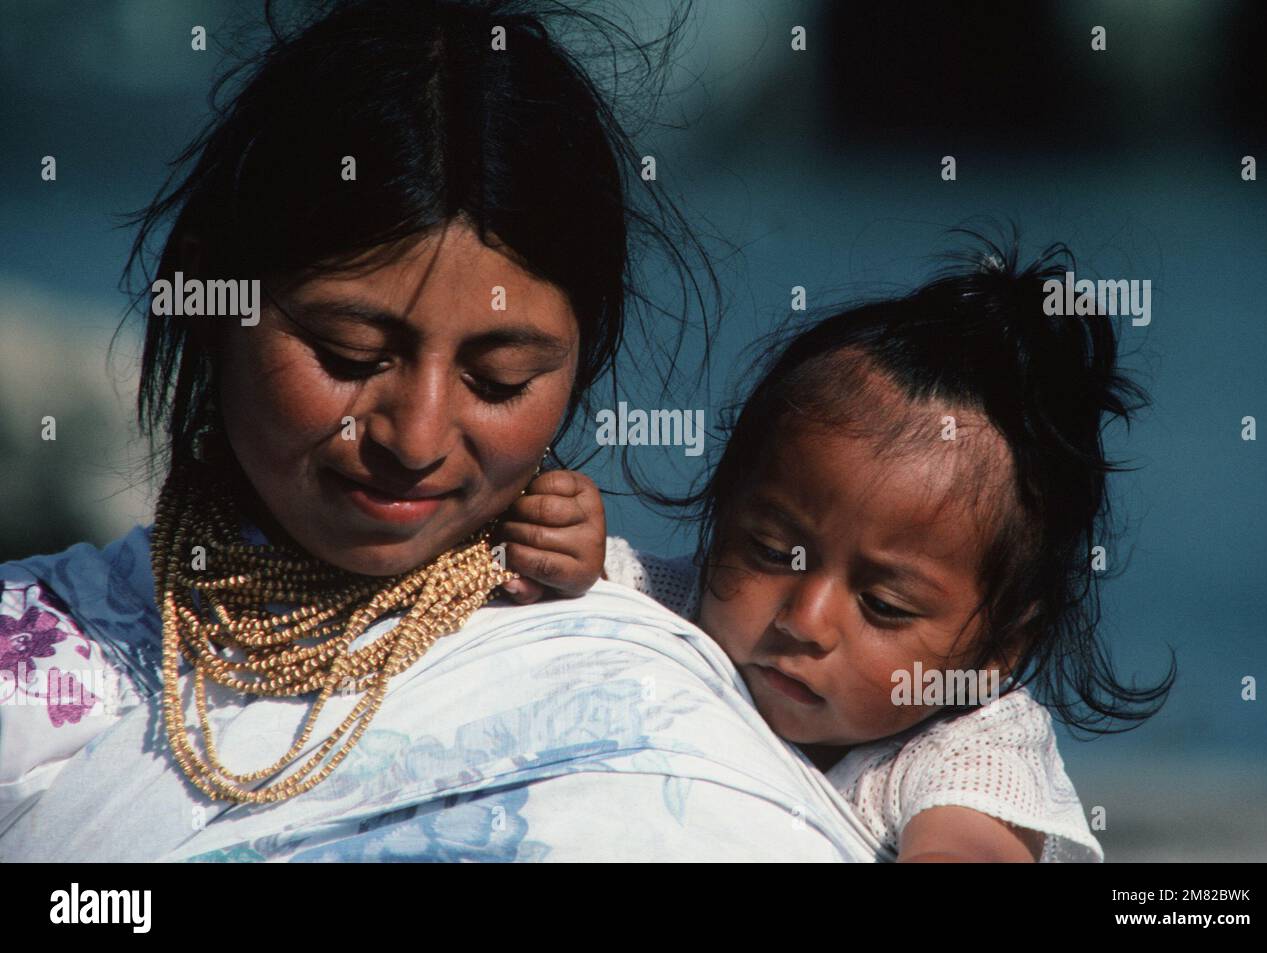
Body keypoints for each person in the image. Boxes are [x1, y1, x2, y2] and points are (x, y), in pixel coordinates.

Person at [0, 0, 878, 862]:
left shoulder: (676, 660)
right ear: (206, 297)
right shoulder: (41, 659)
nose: (415, 438)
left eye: (498, 380)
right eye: (347, 354)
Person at [525, 232, 1178, 861]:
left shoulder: (965, 745)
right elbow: (582, 581)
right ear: (725, 508)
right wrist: (562, 546)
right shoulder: (671, 609)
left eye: (884, 604)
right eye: (773, 551)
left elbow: (967, 845)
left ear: (1001, 643)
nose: (803, 621)